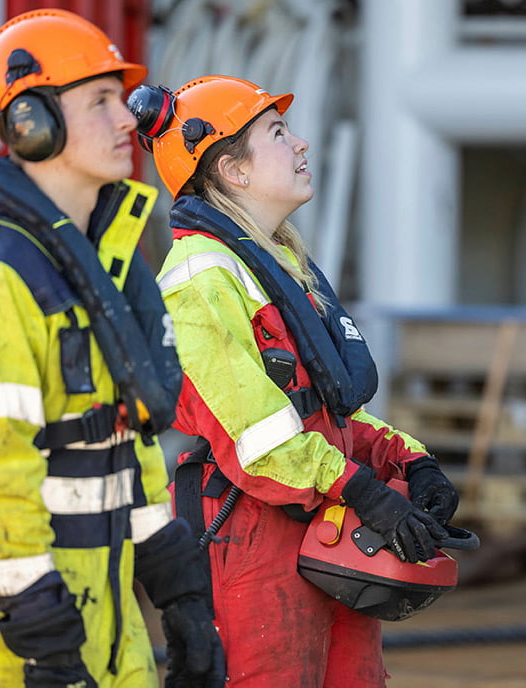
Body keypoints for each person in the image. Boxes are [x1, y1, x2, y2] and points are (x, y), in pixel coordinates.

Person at [0, 10, 224, 688]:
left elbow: (123, 448)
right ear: (29, 124)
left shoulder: (106, 272)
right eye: (99, 101)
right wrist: (43, 639)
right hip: (2, 639)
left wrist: (182, 598)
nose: (127, 120)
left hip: (102, 619)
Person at [127, 74, 462, 687]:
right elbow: (258, 442)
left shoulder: (278, 265)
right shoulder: (203, 280)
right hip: (256, 537)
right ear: (234, 170)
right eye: (278, 133)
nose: (302, 144)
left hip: (325, 525)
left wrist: (408, 461)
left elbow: (321, 411)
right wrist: (364, 493)